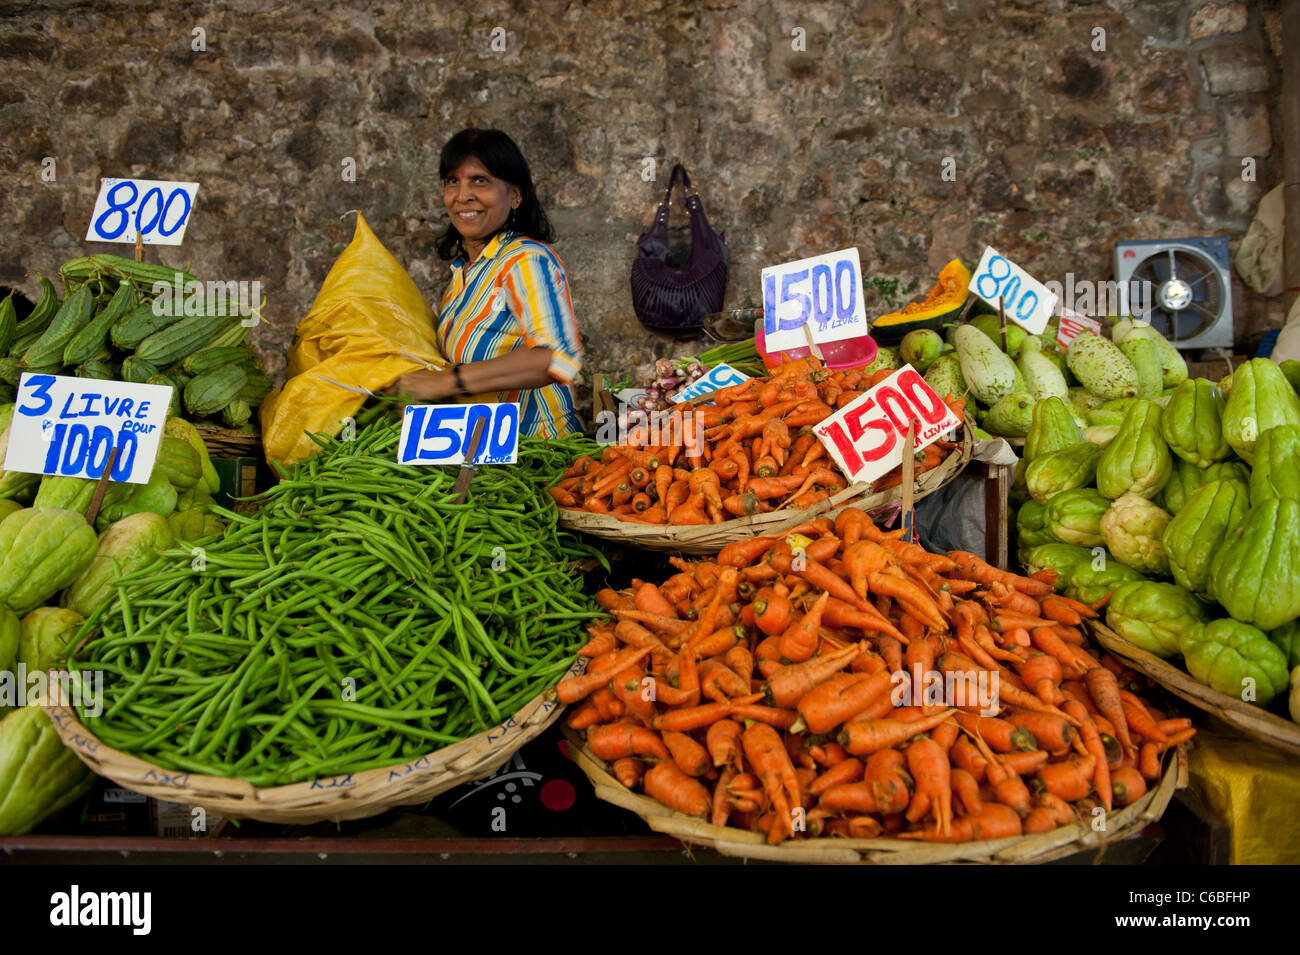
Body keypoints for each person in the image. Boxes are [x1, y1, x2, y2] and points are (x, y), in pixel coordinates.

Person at [395, 128, 584, 437]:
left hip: (537, 458)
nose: (463, 195)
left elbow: (558, 358)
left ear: (515, 195)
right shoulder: (464, 274)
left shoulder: (524, 260)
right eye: (453, 181)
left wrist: (446, 381)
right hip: (482, 456)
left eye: (480, 181)